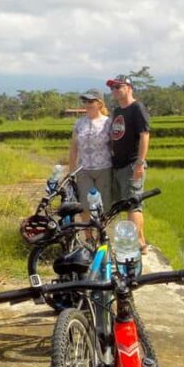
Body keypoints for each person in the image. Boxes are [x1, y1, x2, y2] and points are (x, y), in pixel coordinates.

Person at [106, 74, 151, 255]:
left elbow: (144, 135)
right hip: (118, 164)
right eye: (113, 88)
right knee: (123, 204)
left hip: (132, 164)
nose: (115, 91)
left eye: (119, 87)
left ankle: (139, 243)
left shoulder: (136, 108)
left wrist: (140, 163)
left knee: (133, 204)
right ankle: (133, 239)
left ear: (129, 88)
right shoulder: (118, 111)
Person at [68, 89, 113, 215]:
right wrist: (71, 172)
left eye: (91, 101)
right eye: (85, 101)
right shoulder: (79, 123)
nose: (88, 104)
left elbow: (114, 146)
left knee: (104, 204)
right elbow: (73, 149)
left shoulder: (108, 122)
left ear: (99, 103)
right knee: (85, 204)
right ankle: (88, 235)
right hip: (84, 169)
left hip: (104, 168)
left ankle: (101, 232)